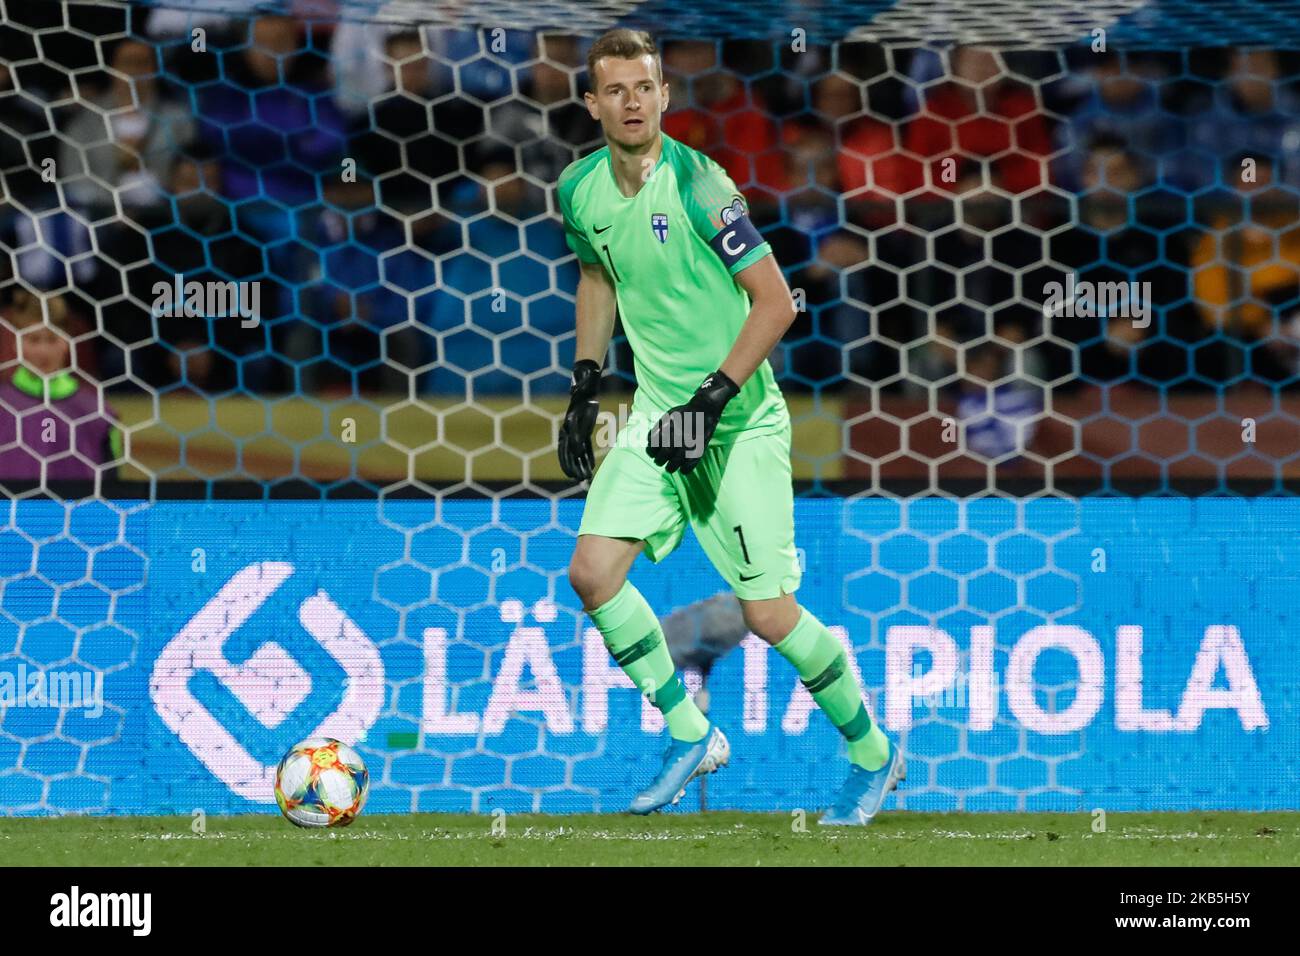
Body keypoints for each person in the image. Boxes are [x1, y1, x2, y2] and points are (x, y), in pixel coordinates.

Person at [555, 29, 903, 823]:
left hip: (736, 419)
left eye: (644, 87)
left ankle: (875, 756)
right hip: (655, 416)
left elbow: (776, 303)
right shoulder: (578, 190)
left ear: (664, 97)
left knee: (768, 614)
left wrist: (709, 402)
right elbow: (595, 275)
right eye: (614, 90)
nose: (631, 102)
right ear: (592, 104)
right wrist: (584, 383)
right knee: (592, 574)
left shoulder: (701, 185)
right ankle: (689, 733)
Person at [0, 289, 121, 483]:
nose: (43, 350)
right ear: (16, 343)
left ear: (67, 342)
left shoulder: (97, 412)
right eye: (33, 339)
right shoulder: (3, 404)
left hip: (77, 512)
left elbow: (112, 484)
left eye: (52, 339)